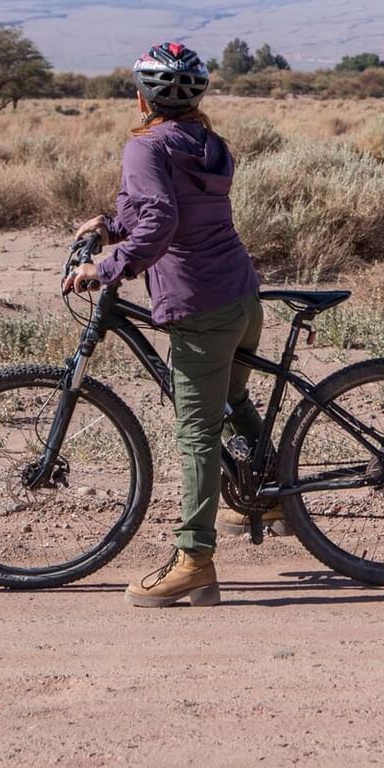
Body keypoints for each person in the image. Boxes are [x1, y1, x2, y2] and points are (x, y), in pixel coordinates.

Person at [63, 42, 265, 608]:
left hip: (200, 303)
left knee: (197, 432)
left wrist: (105, 267)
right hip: (242, 296)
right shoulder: (209, 142)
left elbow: (160, 218)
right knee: (230, 400)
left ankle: (194, 560)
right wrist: (107, 225)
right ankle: (269, 498)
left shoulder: (144, 146)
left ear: (140, 96)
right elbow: (164, 206)